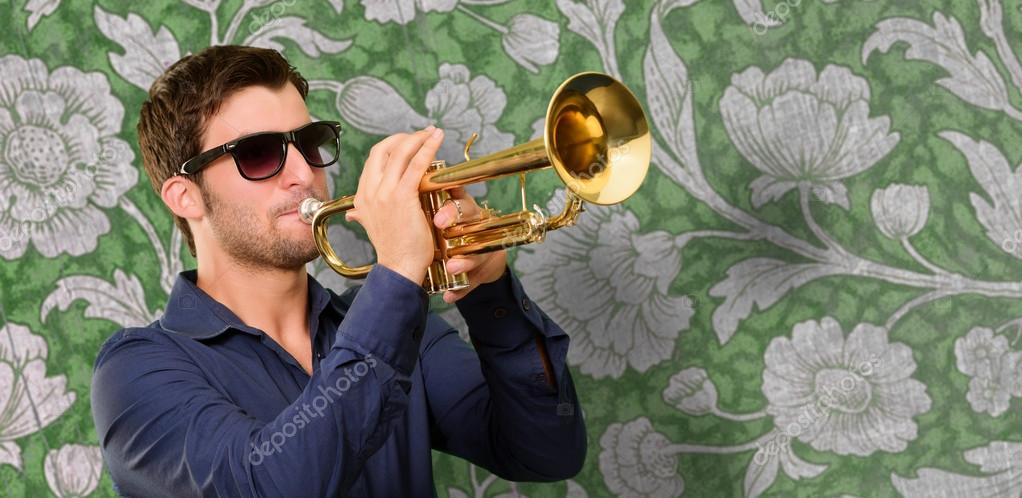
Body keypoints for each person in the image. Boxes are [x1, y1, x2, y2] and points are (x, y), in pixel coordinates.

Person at [90, 45, 586, 497]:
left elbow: (548, 450)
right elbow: (272, 485)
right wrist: (396, 272)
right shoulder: (137, 371)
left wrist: (489, 289)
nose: (304, 173)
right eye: (258, 154)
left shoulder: (401, 331)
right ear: (185, 196)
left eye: (310, 142)